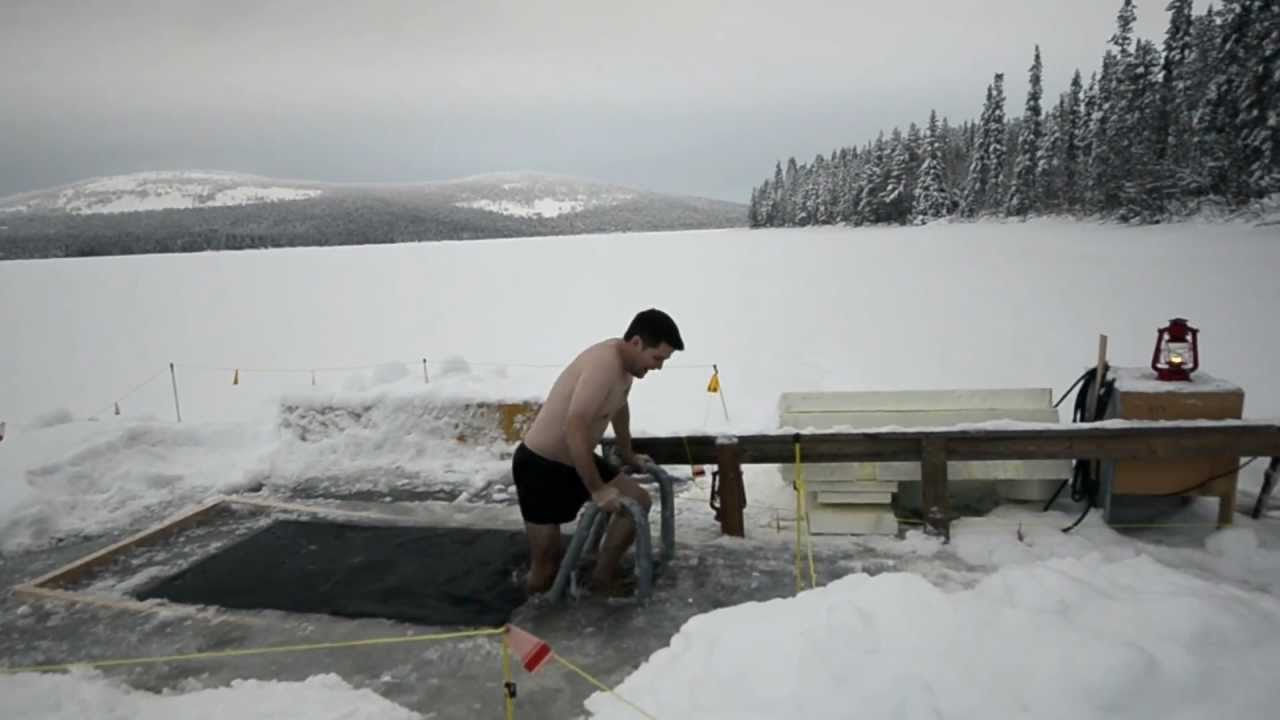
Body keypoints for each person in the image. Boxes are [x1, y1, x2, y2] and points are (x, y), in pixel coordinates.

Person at [512, 308, 684, 596]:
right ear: (637, 343)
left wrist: (627, 453)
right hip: (540, 466)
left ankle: (602, 578)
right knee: (546, 569)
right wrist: (597, 489)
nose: (658, 367)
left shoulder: (628, 368)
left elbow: (620, 405)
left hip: (573, 458)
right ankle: (524, 615)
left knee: (638, 501)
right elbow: (574, 426)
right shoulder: (604, 364)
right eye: (657, 358)